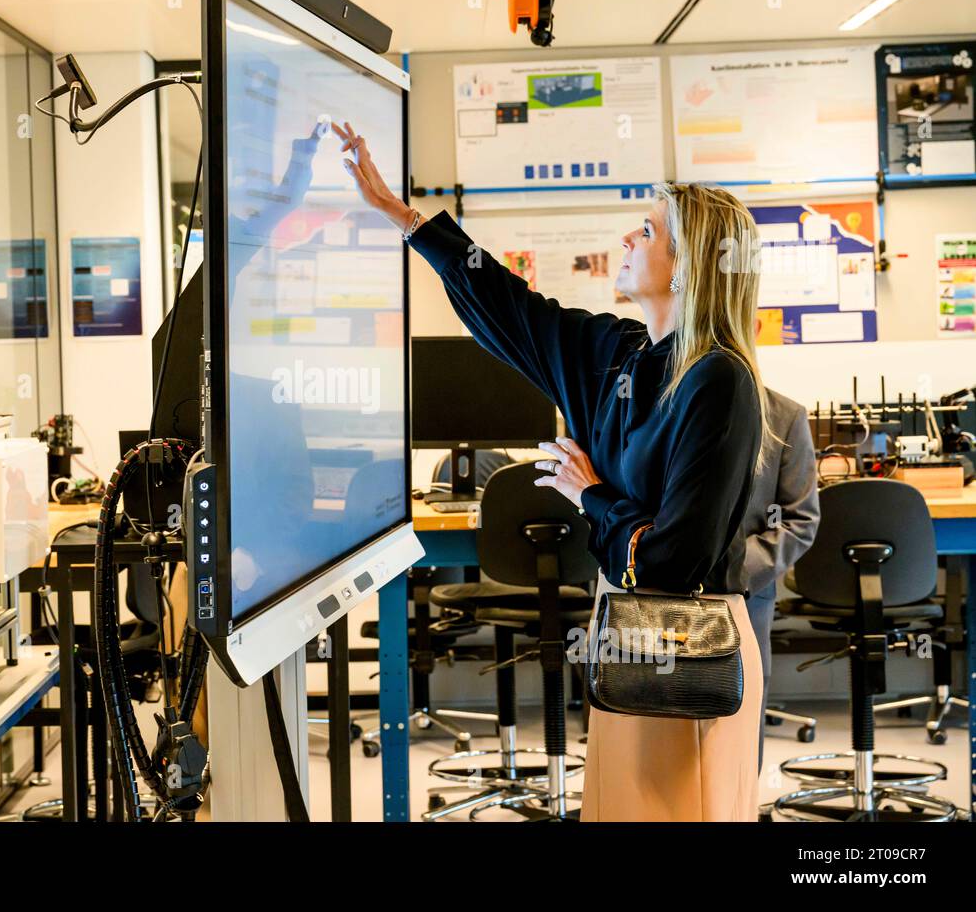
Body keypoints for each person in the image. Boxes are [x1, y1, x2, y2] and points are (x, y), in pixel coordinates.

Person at [333, 121, 767, 821]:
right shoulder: (620, 354)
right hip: (625, 628)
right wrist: (402, 215)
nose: (628, 239)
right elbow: (512, 308)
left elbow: (673, 556)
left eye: (648, 232)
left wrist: (591, 496)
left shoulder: (719, 382)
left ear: (687, 267)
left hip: (687, 643)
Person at [741, 385, 820, 770]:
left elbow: (800, 520)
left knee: (739, 718)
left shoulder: (783, 416)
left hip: (743, 591)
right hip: (657, 591)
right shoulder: (649, 402)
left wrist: (733, 572)